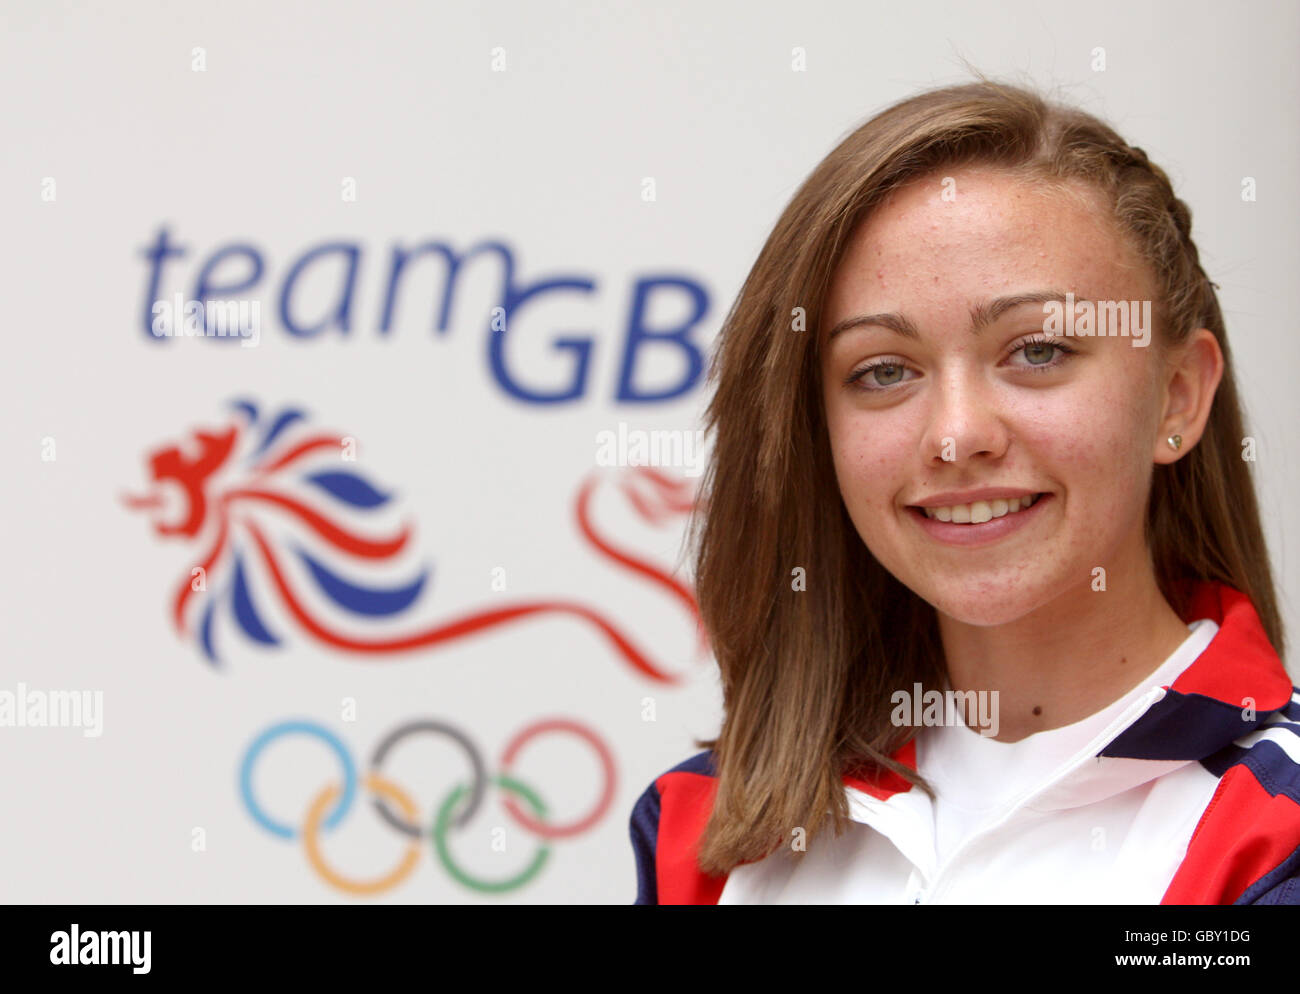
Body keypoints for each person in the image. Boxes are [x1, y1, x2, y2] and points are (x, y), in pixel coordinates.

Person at [629, 77, 1298, 904]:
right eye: (882, 371)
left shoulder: (1278, 829)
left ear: (1179, 397)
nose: (955, 435)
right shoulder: (706, 826)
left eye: (1038, 351)